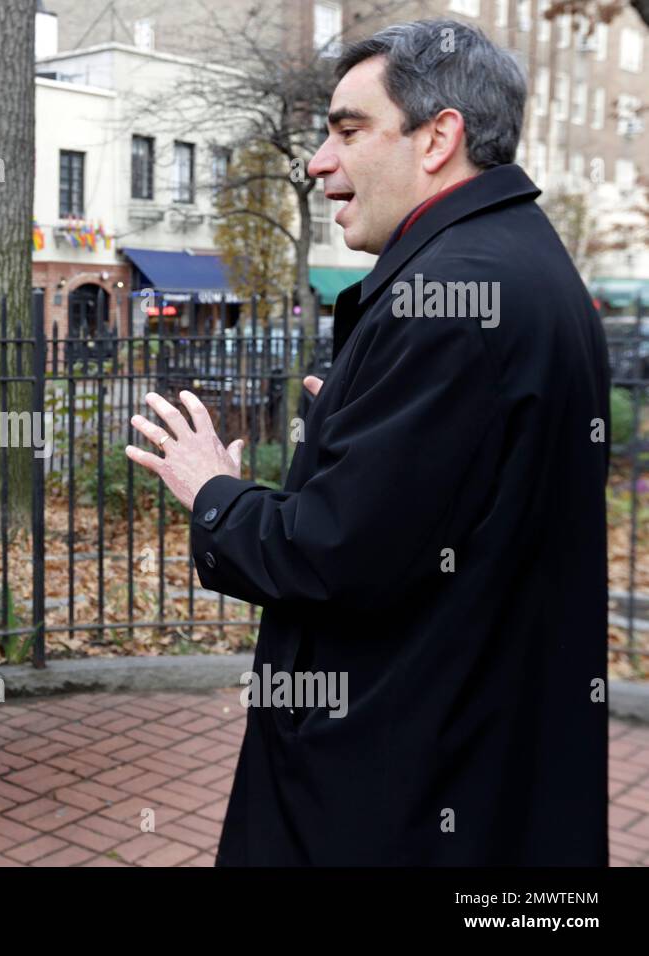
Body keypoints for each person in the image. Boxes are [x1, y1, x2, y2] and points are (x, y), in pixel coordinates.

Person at [127, 19, 609, 865]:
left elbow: (337, 554)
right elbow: (452, 507)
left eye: (348, 130)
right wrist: (368, 424)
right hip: (482, 759)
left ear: (439, 139)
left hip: (399, 786)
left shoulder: (451, 296)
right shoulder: (521, 263)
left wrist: (212, 492)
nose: (319, 160)